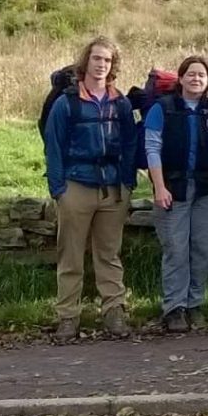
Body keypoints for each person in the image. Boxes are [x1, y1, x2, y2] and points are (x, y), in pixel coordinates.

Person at [43, 36, 137, 340]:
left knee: (109, 254)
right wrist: (58, 188)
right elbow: (53, 145)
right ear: (86, 62)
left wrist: (127, 180)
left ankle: (114, 312)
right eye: (97, 58)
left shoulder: (120, 102)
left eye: (107, 60)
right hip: (76, 185)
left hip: (112, 188)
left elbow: (130, 142)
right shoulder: (66, 102)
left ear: (113, 66)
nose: (101, 65)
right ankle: (68, 317)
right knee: (70, 255)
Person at [145, 55, 208, 333]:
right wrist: (159, 187)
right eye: (191, 74)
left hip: (207, 188)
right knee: (176, 249)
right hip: (173, 187)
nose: (196, 79)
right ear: (180, 78)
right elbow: (152, 148)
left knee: (203, 249)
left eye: (202, 75)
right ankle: (174, 308)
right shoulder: (162, 108)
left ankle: (195, 303)